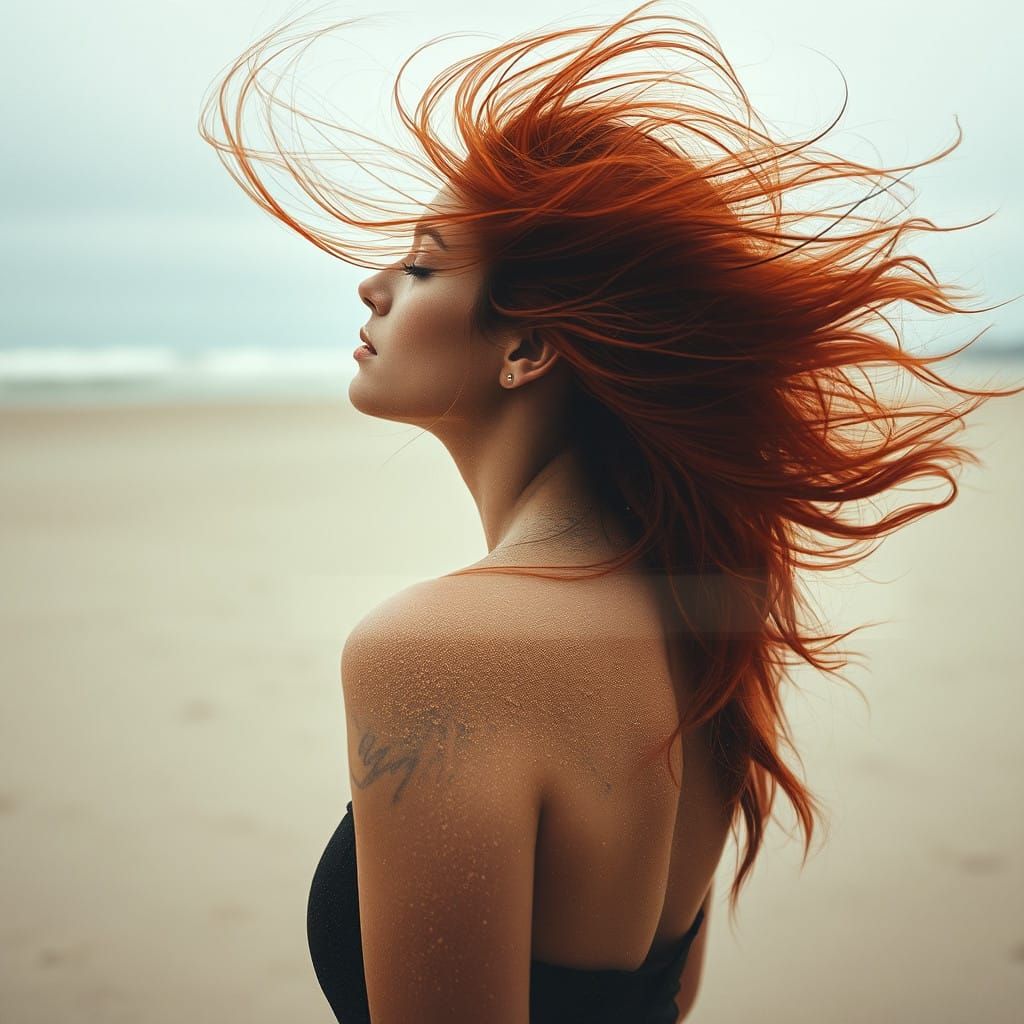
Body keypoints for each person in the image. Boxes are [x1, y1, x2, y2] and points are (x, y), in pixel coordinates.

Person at [199, 2, 1023, 1021]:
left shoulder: (440, 650)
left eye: (421, 263)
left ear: (528, 347)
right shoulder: (698, 619)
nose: (373, 285)